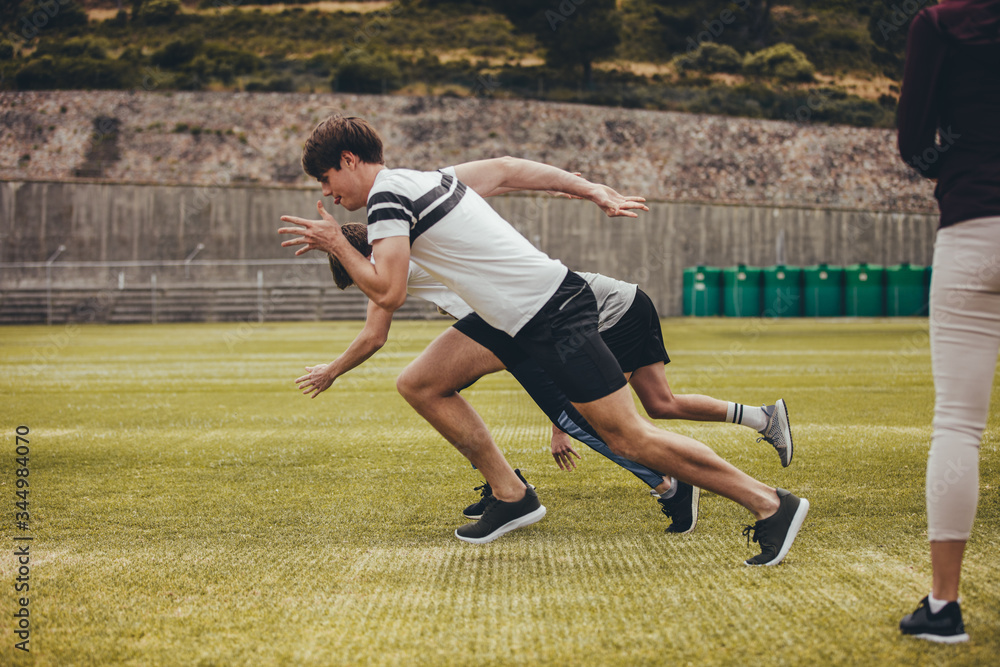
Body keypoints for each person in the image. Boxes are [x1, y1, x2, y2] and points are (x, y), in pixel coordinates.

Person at [278, 115, 808, 564]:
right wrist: (590, 188)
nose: (328, 193)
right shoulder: (425, 179)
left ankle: (769, 504)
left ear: (349, 159)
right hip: (513, 319)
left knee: (630, 436)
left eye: (326, 179)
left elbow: (387, 292)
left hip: (549, 314)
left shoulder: (388, 198)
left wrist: (336, 244)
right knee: (421, 383)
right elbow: (509, 169)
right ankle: (511, 494)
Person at [303, 221, 794, 535]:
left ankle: (684, 485)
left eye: (356, 267)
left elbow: (374, 334)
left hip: (606, 312)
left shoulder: (396, 255)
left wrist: (330, 371)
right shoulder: (413, 244)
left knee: (609, 428)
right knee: (656, 406)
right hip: (610, 303)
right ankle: (759, 422)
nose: (365, 283)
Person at [896, 0, 1000, 644]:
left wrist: (954, 175)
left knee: (959, 422)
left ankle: (943, 606)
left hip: (973, 226)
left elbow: (913, 139)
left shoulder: (941, 23)